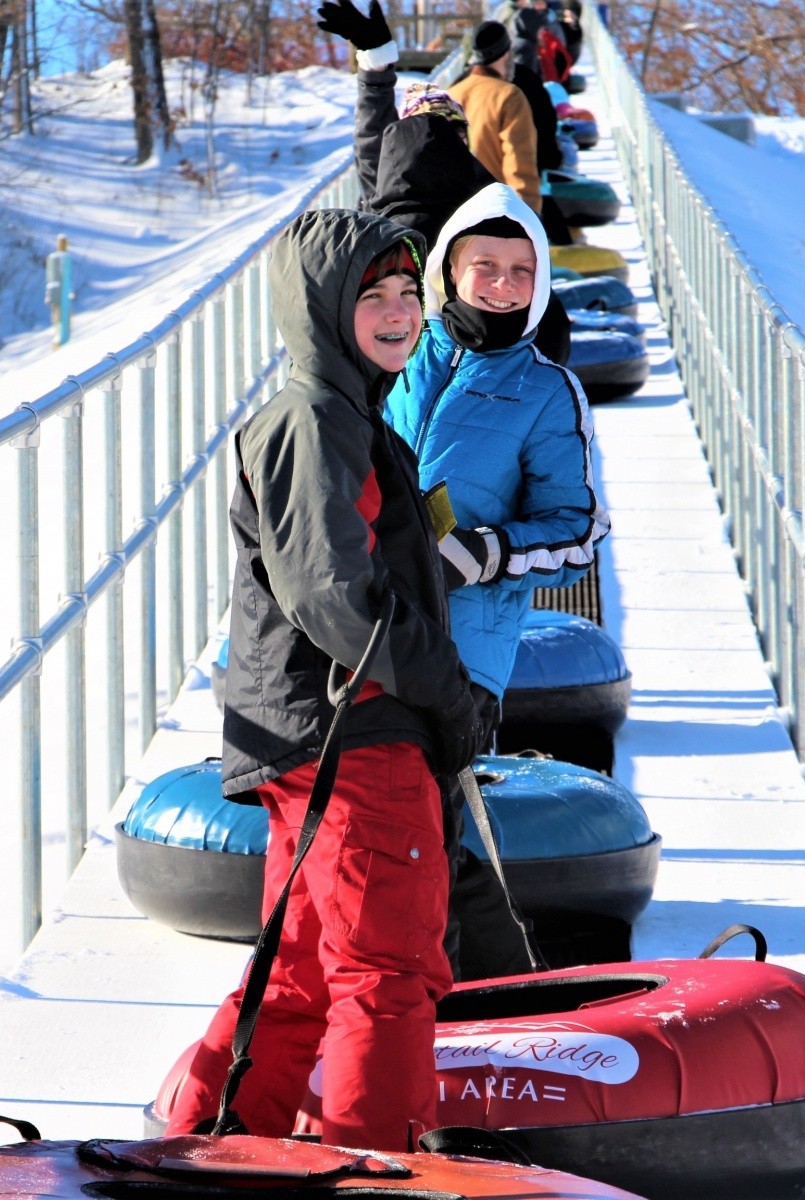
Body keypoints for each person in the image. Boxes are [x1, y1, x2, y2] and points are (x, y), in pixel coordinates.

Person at [163, 210, 484, 1152]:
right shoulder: (314, 421)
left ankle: (209, 1150)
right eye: (371, 298)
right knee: (388, 975)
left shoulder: (346, 416)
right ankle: (375, 1166)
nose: (396, 314)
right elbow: (336, 595)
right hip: (356, 732)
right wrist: (445, 690)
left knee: (298, 974)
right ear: (320, 312)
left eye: (407, 295)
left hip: (320, 736)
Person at [384, 184, 610, 978]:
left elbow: (580, 531)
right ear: (449, 268)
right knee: (396, 830)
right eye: (486, 266)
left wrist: (488, 552)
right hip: (360, 631)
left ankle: (462, 1000)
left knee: (423, 828)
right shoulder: (395, 355)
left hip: (460, 651)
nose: (504, 285)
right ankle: (475, 987)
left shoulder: (547, 389)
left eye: (521, 269)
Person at [316, 0, 572, 362]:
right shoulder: (480, 208)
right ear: (462, 140)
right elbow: (519, 163)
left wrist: (376, 64)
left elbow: (371, 139)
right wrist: (528, 226)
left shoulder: (383, 198)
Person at [448, 20, 542, 213]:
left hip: (452, 215)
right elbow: (519, 166)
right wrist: (529, 217)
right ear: (506, 54)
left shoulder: (450, 94)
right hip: (495, 214)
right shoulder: (508, 96)